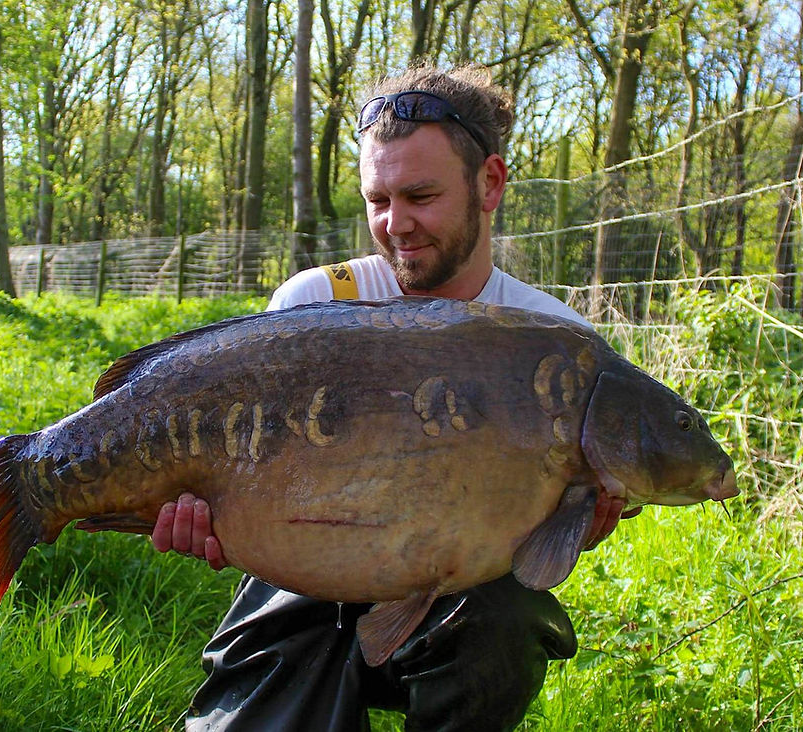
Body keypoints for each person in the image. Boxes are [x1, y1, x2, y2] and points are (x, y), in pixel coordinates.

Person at [152, 64, 637, 731]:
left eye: (421, 196)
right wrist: (200, 511)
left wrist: (578, 526)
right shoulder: (314, 303)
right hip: (304, 579)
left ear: (490, 183)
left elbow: (558, 527)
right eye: (378, 200)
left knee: (508, 621)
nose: (395, 224)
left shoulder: (556, 344)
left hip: (461, 594)